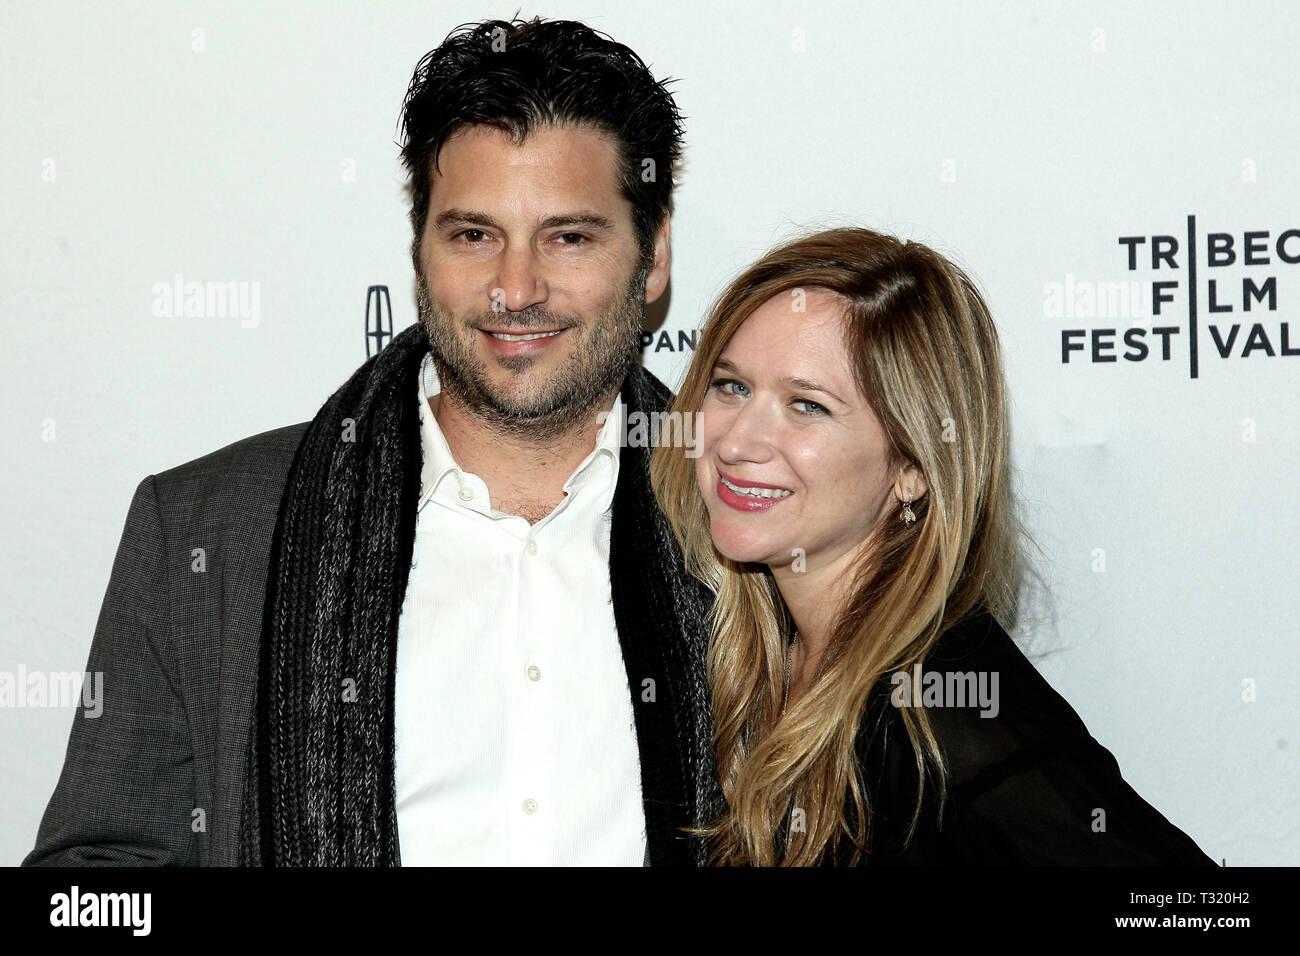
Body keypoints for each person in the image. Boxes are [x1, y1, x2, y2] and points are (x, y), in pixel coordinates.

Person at [25, 16, 721, 867]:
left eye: (569, 236)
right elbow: (93, 883)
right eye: (474, 235)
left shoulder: (763, 528)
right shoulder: (208, 531)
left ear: (653, 258)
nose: (516, 287)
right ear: (421, 251)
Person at [650, 226, 1217, 866]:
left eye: (806, 405)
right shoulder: (761, 658)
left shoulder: (940, 702)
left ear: (912, 468)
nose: (736, 442)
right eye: (732, 387)